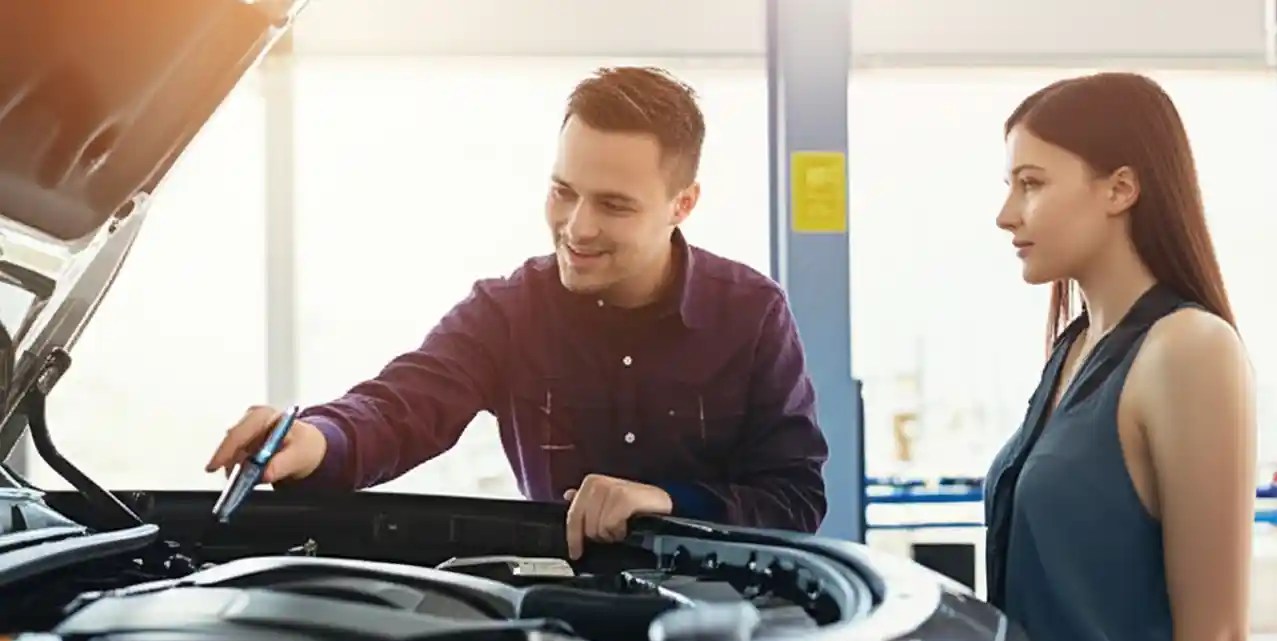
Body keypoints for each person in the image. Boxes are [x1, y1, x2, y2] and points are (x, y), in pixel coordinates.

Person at [205, 66, 829, 559]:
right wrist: (313, 439)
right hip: (559, 627)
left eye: (613, 205)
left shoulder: (752, 313)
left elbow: (795, 499)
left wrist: (668, 501)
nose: (577, 228)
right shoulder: (506, 312)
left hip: (731, 632)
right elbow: (400, 408)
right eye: (563, 192)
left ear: (682, 205)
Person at [986, 71, 1256, 641]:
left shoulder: (1188, 348)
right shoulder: (1073, 349)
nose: (1007, 215)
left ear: (1121, 189)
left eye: (1033, 183)